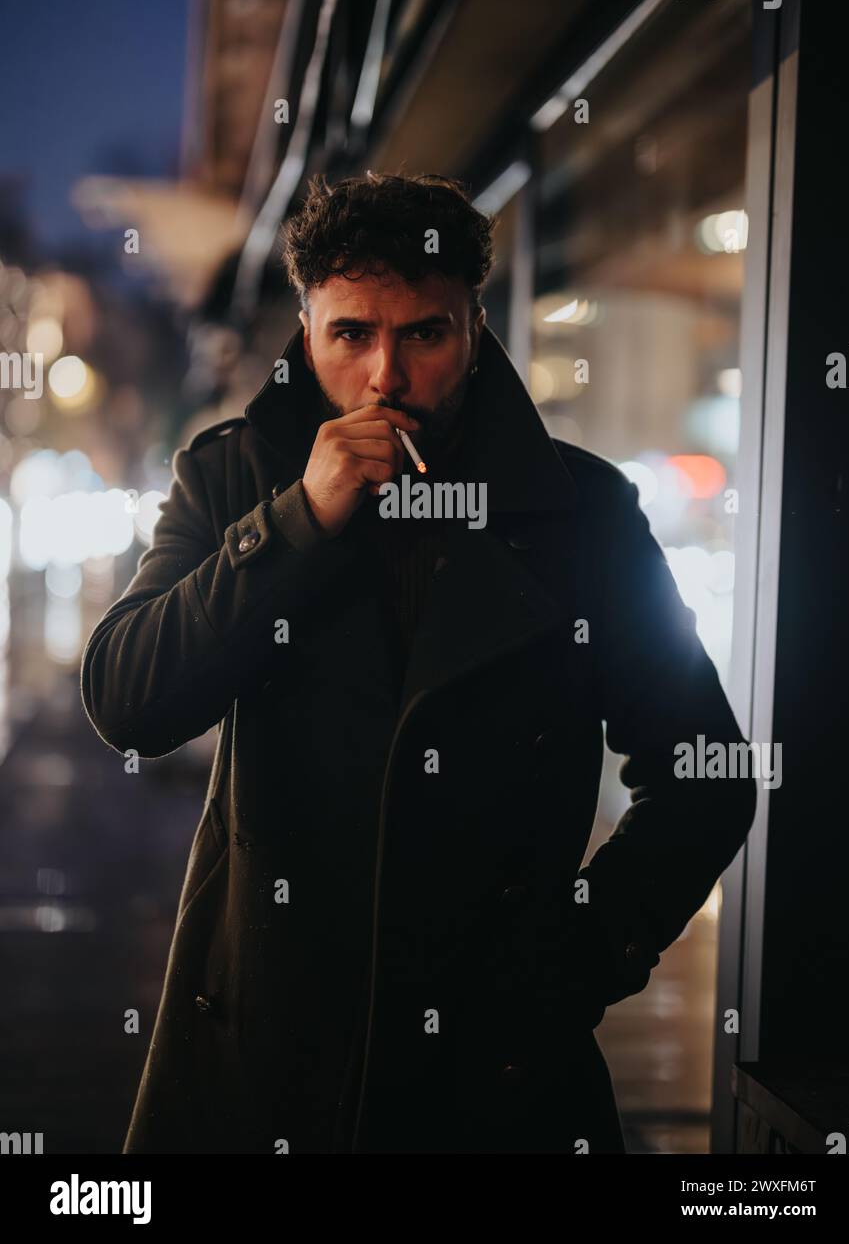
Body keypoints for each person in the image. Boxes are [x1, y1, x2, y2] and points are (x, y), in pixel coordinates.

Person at [81, 171, 756, 1154]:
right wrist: (294, 522)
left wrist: (572, 961)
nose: (384, 375)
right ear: (306, 327)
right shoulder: (233, 476)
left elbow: (706, 773)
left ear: (473, 329)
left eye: (422, 334)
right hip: (264, 1055)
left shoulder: (579, 514)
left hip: (495, 1075)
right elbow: (127, 698)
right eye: (350, 334)